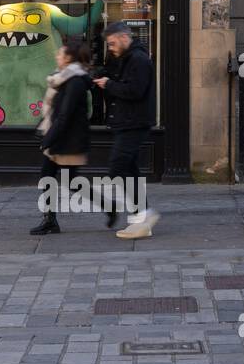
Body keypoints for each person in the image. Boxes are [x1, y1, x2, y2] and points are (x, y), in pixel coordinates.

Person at [93, 21, 160, 238]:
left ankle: (144, 214)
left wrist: (108, 85)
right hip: (126, 121)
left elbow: (135, 91)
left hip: (135, 122)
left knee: (117, 167)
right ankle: (141, 221)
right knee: (129, 170)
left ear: (123, 38)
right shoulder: (123, 58)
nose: (110, 47)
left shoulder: (139, 60)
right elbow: (113, 75)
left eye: (112, 43)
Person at [30, 38, 93, 235]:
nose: (57, 56)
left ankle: (110, 206)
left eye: (60, 53)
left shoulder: (75, 82)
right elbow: (56, 110)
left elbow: (65, 115)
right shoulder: (62, 77)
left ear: (69, 58)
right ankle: (50, 220)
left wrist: (48, 139)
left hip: (69, 140)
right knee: (47, 176)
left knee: (72, 182)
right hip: (59, 137)